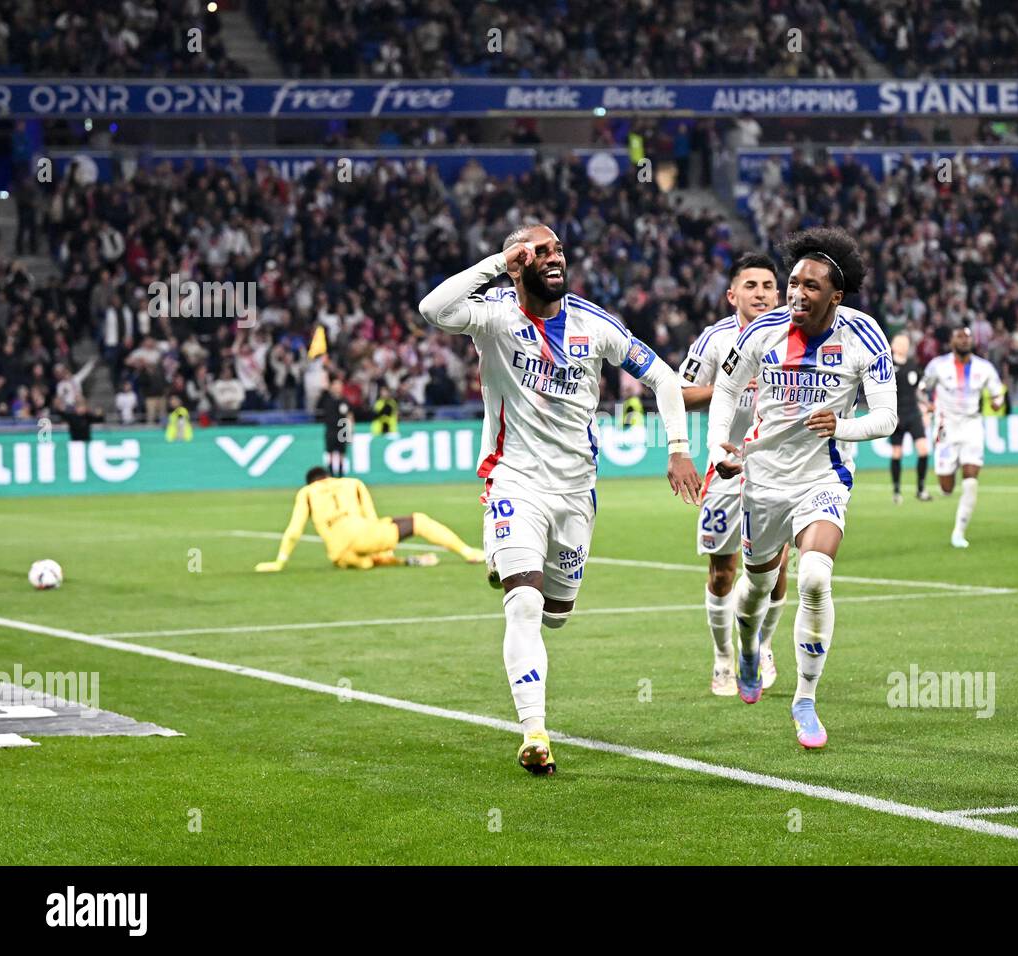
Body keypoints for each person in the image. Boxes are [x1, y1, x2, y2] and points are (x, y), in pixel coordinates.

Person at [419, 223, 701, 775]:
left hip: (576, 491)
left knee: (556, 614)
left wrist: (677, 448)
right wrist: (497, 264)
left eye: (557, 250)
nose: (553, 259)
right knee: (523, 602)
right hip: (514, 480)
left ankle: (510, 562)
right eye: (539, 252)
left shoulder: (595, 325)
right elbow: (432, 308)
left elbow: (665, 380)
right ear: (518, 263)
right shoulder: (494, 314)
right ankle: (534, 732)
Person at [706, 227, 897, 749]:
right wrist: (719, 448)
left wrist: (844, 428)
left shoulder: (865, 335)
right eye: (793, 283)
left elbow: (886, 417)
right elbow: (725, 388)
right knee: (757, 590)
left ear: (836, 296)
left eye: (810, 287)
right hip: (763, 479)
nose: (795, 294)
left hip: (823, 476)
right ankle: (747, 650)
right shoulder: (761, 332)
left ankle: (805, 699)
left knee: (814, 577)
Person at [680, 252, 790, 697]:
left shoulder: (795, 335)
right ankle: (723, 657)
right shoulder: (714, 339)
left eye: (767, 286)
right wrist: (728, 387)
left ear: (778, 293)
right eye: (751, 286)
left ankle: (760, 646)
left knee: (777, 567)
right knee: (723, 571)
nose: (760, 293)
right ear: (732, 295)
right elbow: (681, 393)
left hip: (778, 468)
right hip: (724, 468)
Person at [254, 467, 485, 573]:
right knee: (419, 520)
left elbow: (294, 530)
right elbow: (371, 517)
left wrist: (279, 562)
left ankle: (393, 560)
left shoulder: (306, 493)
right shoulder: (352, 483)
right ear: (328, 476)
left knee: (362, 562)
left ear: (310, 482)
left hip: (338, 552)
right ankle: (468, 552)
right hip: (364, 536)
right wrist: (385, 546)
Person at [919, 327, 1006, 548]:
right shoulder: (938, 365)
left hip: (972, 425)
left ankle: (958, 532)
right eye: (959, 336)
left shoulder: (984, 368)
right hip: (946, 425)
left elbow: (998, 392)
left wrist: (997, 402)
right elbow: (921, 389)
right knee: (947, 487)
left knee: (970, 481)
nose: (964, 340)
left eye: (967, 337)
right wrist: (926, 404)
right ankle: (947, 474)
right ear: (951, 341)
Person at [888, 332, 932, 503]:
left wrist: (926, 408)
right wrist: (890, 413)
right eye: (901, 343)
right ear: (894, 346)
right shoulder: (889, 367)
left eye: (907, 343)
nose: (905, 346)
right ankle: (897, 491)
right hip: (897, 416)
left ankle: (921, 489)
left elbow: (918, 391)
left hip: (913, 413)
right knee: (897, 453)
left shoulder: (913, 366)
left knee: (923, 450)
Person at [317, 377, 352, 476]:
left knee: (342, 453)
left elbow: (350, 416)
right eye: (335, 385)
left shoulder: (345, 401)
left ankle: (341, 474)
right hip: (331, 430)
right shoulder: (326, 399)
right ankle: (331, 473)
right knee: (330, 453)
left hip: (342, 430)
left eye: (339, 385)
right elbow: (318, 407)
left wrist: (350, 432)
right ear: (331, 387)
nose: (337, 387)